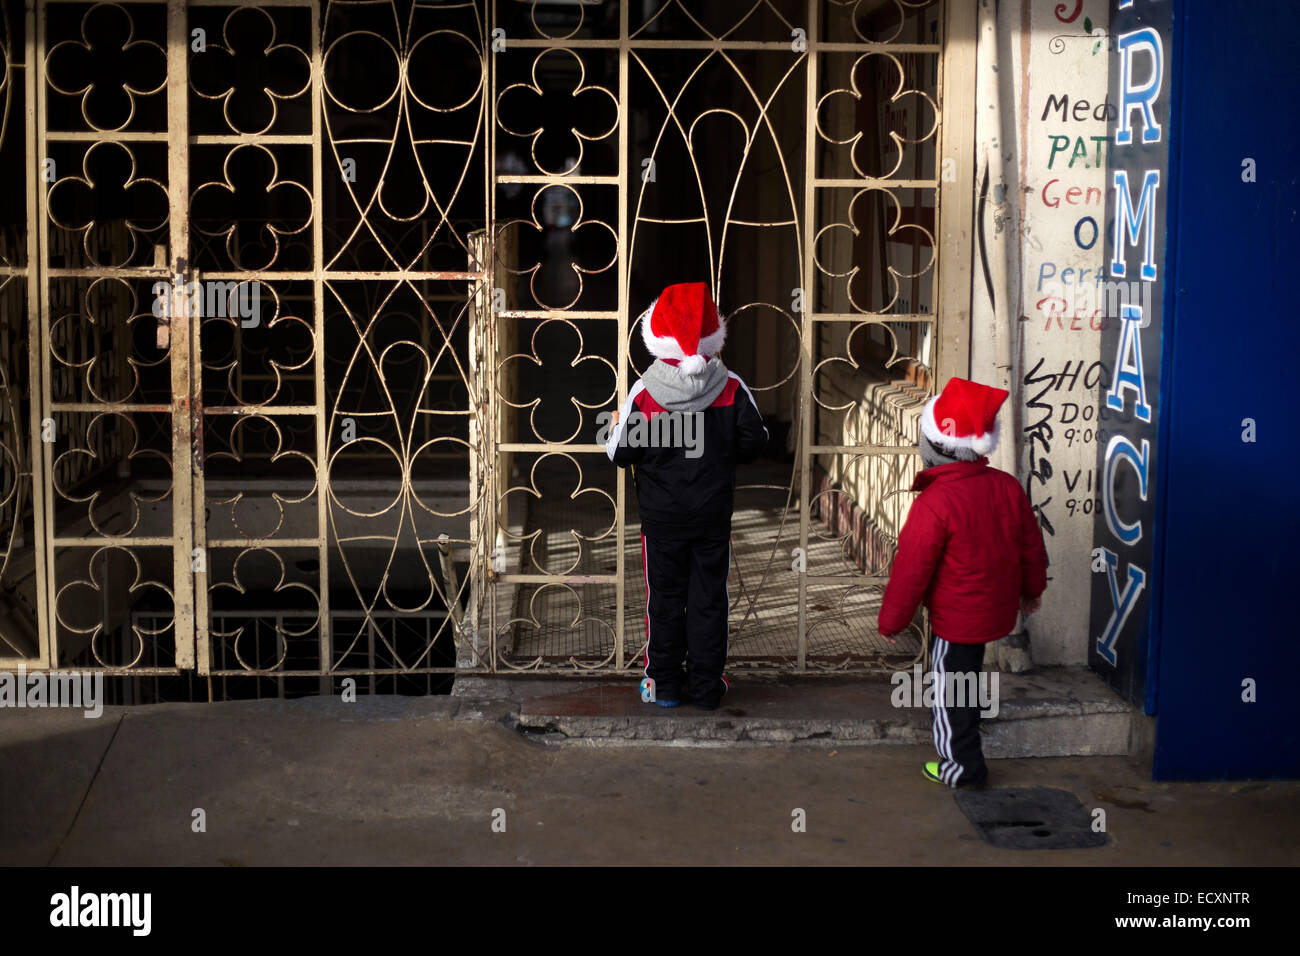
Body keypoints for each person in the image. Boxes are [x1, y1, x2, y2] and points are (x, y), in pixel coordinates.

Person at [877, 377, 1048, 786]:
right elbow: (1030, 546)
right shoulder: (1006, 486)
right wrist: (1032, 590)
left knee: (949, 687)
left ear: (934, 446)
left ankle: (961, 765)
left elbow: (911, 570)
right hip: (996, 610)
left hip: (957, 620)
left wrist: (892, 622)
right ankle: (970, 726)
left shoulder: (934, 503)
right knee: (966, 675)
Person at [604, 282, 768, 709]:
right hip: (712, 517)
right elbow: (755, 442)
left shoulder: (646, 394)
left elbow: (620, 452)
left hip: (662, 522)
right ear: (714, 333)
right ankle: (706, 686)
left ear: (656, 334)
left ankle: (663, 685)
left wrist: (618, 422)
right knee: (709, 600)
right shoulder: (730, 386)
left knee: (665, 600)